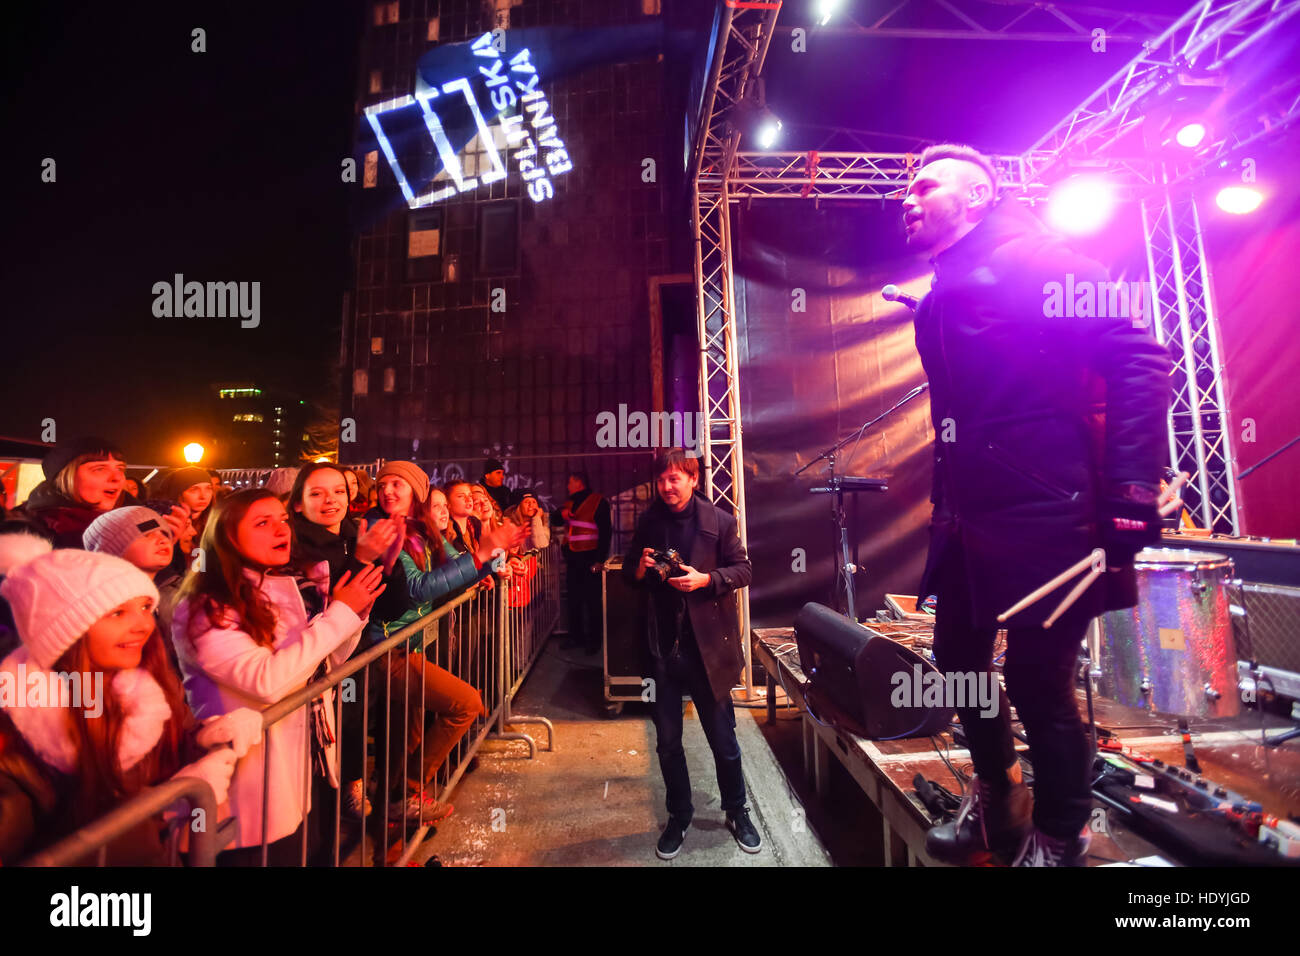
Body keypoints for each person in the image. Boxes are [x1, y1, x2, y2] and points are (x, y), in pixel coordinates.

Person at [901, 144, 1170, 867]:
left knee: (1037, 683)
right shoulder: (956, 279)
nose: (908, 195)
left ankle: (1059, 838)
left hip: (1050, 519)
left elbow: (1140, 355)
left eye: (925, 184)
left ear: (980, 194)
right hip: (973, 519)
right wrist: (929, 307)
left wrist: (1132, 490)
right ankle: (1000, 797)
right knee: (957, 657)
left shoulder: (1036, 257)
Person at [170, 488, 386, 865]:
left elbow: (318, 666)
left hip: (304, 762)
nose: (280, 528)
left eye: (282, 519)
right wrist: (339, 615)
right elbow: (268, 682)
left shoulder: (277, 585)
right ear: (226, 535)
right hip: (247, 782)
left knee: (313, 850)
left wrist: (353, 615)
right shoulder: (204, 606)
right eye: (262, 522)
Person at [0, 549, 256, 865]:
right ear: (66, 633)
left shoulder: (145, 686)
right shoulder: (15, 736)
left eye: (146, 607)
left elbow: (166, 758)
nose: (144, 626)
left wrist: (207, 736)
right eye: (118, 613)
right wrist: (165, 801)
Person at [363, 461, 523, 822]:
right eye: (383, 483)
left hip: (411, 644)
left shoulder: (420, 531)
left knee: (407, 740)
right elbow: (418, 588)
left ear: (415, 493)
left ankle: (391, 830)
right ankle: (405, 794)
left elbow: (457, 567)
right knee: (467, 703)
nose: (387, 490)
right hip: (387, 646)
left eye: (397, 484)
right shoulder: (380, 529)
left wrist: (491, 561)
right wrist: (482, 556)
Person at [622, 449, 758, 859]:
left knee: (723, 740)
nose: (667, 487)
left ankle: (736, 810)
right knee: (666, 743)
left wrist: (706, 580)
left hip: (708, 651)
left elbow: (744, 570)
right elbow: (632, 573)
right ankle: (679, 815)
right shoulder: (649, 521)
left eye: (675, 478)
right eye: (661, 479)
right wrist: (643, 566)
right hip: (662, 649)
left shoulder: (720, 521)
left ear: (693, 479)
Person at [287, 462, 398, 819]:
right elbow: (333, 600)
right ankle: (337, 809)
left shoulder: (356, 532)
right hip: (323, 663)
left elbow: (389, 600)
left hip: (362, 651)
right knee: (332, 738)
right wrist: (362, 559)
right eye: (316, 493)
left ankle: (369, 793)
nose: (330, 500)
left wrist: (391, 565)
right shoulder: (295, 546)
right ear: (298, 503)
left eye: (338, 491)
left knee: (361, 723)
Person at [16, 436, 127, 548]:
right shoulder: (28, 534)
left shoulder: (132, 523)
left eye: (120, 469)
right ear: (66, 477)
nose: (117, 477)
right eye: (99, 469)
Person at [558, 469, 611, 655]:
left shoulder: (598, 501)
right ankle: (576, 637)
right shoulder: (569, 503)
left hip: (590, 560)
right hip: (573, 560)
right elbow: (556, 519)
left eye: (570, 482)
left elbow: (606, 532)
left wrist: (599, 560)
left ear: (579, 482)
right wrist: (563, 513)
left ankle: (595, 641)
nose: (567, 486)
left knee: (593, 602)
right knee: (574, 600)